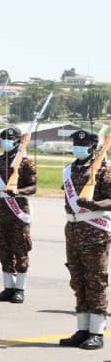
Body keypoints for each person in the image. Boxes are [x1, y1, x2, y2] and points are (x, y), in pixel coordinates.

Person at [59, 130, 111, 350]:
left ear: (93, 147)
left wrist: (96, 205)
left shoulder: (104, 170)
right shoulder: (69, 170)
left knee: (95, 281)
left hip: (94, 231)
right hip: (73, 230)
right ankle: (82, 329)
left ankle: (97, 332)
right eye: (75, 144)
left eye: (82, 144)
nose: (77, 147)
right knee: (78, 281)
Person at [0, 126, 37, 303]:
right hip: (1, 211)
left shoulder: (26, 162)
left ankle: (20, 288)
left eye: (9, 139)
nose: (6, 142)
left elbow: (33, 187)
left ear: (18, 141)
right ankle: (8, 287)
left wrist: (18, 191)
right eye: (3, 139)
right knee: (3, 249)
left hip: (18, 211)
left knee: (20, 249)